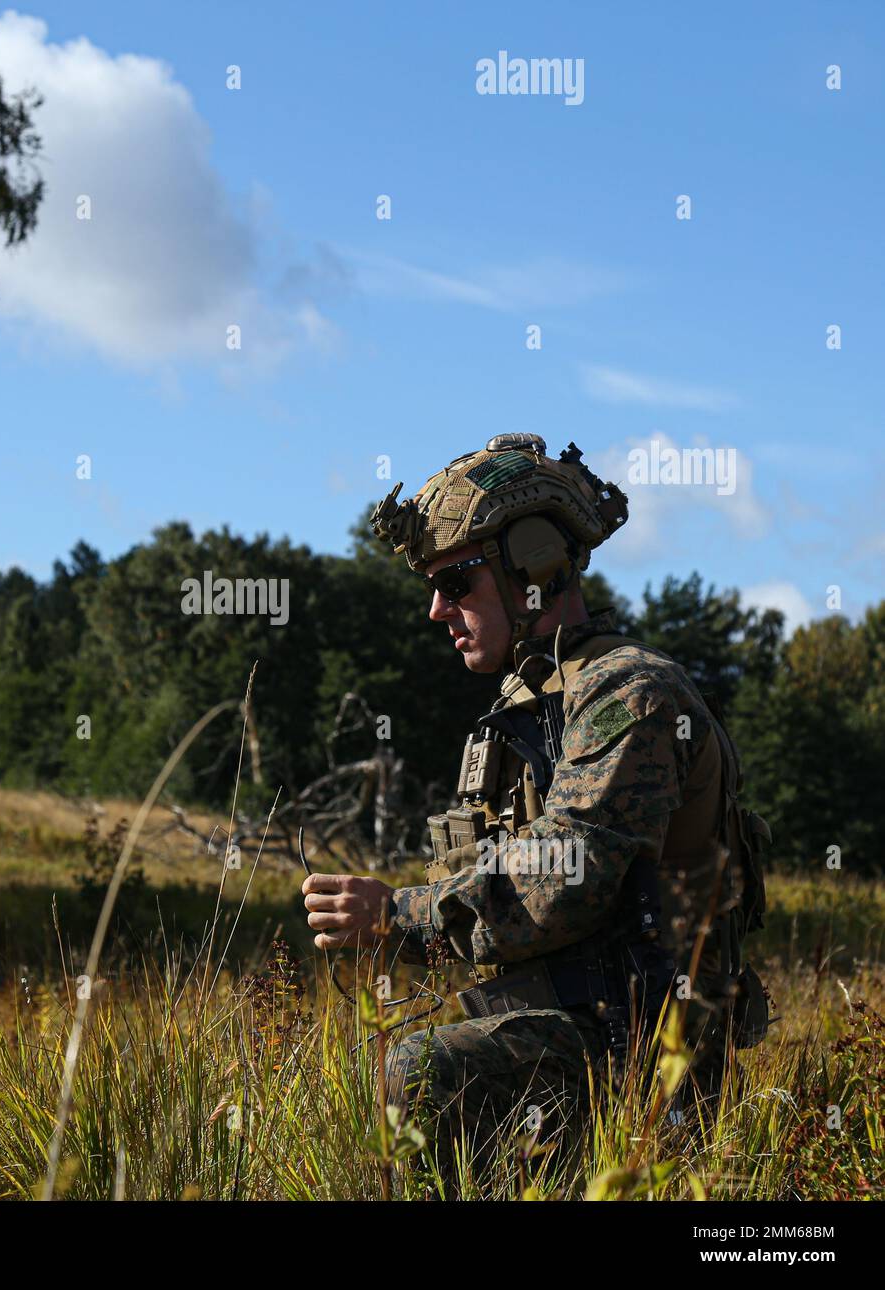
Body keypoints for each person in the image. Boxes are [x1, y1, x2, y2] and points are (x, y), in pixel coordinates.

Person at [300, 433, 770, 1177]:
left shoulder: (628, 695)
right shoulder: (529, 706)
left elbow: (562, 884)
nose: (435, 611)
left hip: (647, 1068)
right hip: (570, 1038)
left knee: (422, 1074)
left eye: (455, 583)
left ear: (534, 567)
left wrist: (397, 916)